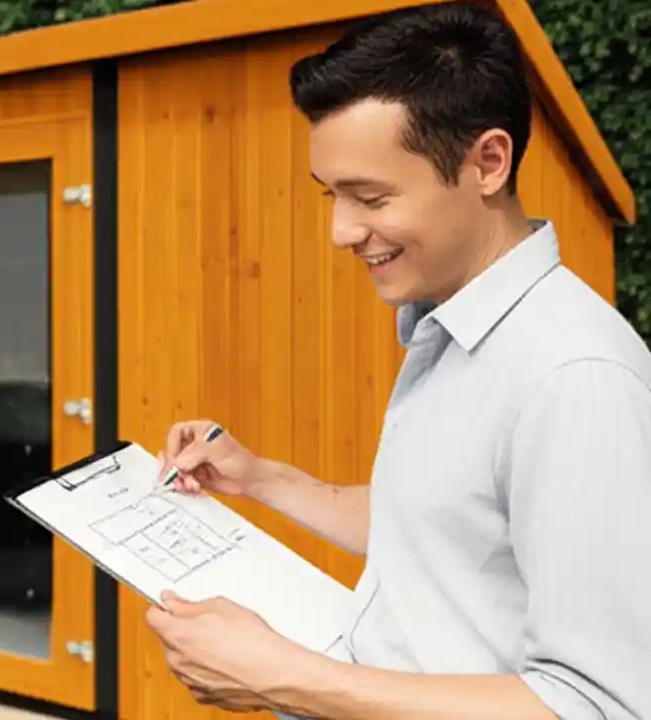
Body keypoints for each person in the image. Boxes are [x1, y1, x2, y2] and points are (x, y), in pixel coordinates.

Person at [144, 2, 651, 719]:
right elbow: (442, 524)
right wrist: (265, 479)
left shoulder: (575, 380)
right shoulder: (454, 330)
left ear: (488, 161)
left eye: (370, 197)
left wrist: (284, 677)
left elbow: (599, 705)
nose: (341, 231)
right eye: (331, 195)